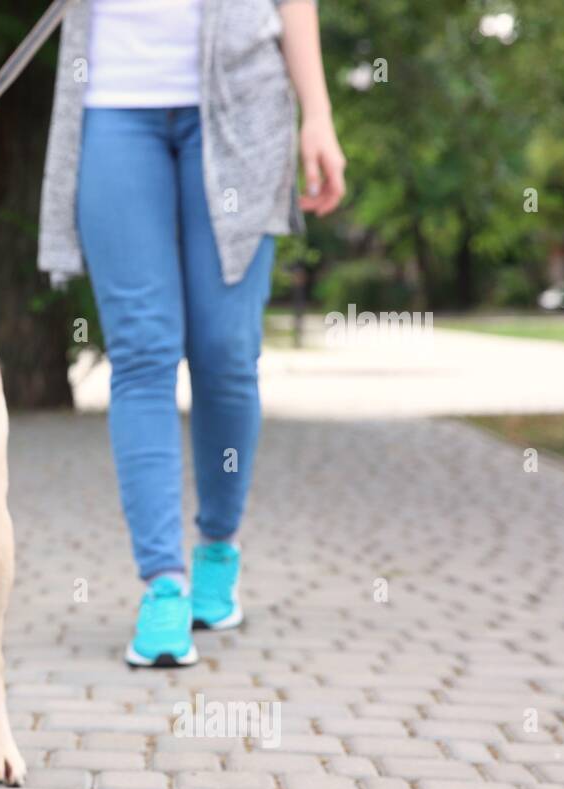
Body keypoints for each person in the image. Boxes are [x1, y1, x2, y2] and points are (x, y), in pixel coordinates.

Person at [39, 0, 345, 666]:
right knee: (143, 351)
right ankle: (163, 584)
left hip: (243, 104)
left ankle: (217, 545)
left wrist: (317, 113)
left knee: (225, 351)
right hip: (113, 104)